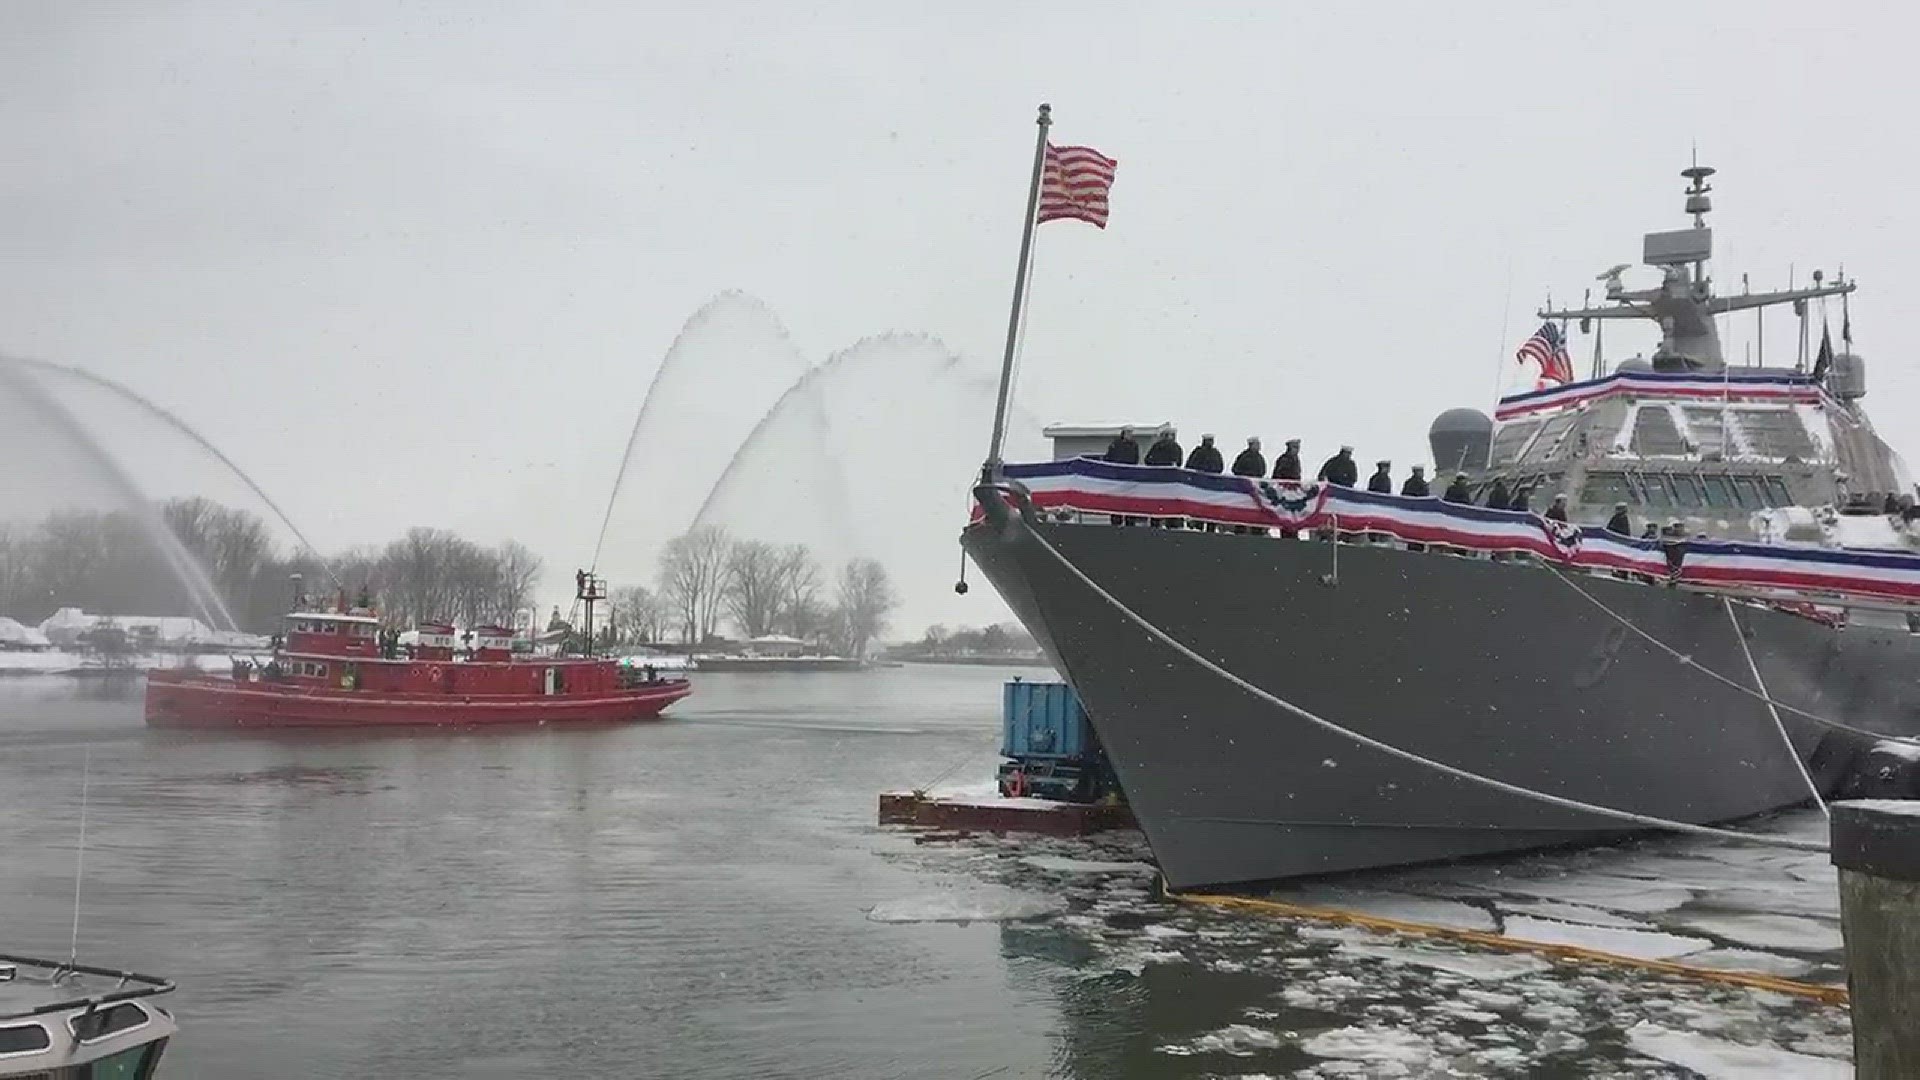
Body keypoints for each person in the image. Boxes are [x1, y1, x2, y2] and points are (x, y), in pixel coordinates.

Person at [1143, 430, 1184, 528]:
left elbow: (1148, 460)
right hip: (1169, 482)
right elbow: (1179, 463)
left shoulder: (1157, 447)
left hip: (1158, 481)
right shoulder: (1176, 448)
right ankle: (1170, 524)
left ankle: (1156, 523)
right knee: (1169, 503)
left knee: (1158, 503)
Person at [1185, 435, 1225, 531]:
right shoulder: (1199, 452)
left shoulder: (1214, 453)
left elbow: (1220, 467)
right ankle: (1200, 527)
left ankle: (1207, 528)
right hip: (1201, 486)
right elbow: (1190, 466)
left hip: (1208, 486)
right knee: (1201, 509)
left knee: (1209, 509)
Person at [1104, 427, 1140, 525]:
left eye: (1131, 433)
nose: (1130, 435)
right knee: (1116, 502)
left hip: (1129, 478)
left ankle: (1130, 522)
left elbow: (1135, 460)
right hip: (1117, 478)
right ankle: (1116, 522)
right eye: (1128, 432)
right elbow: (1108, 459)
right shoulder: (1115, 444)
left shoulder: (1134, 445)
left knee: (1129, 502)